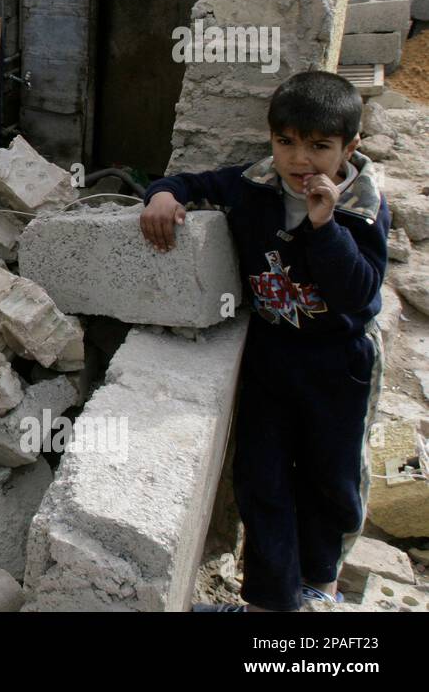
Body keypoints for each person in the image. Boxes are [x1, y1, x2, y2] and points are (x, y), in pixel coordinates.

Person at [140, 71, 389, 613]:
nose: (300, 160)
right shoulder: (254, 185)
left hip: (340, 364)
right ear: (272, 139)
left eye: (320, 147)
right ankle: (270, 602)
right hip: (272, 359)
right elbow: (191, 183)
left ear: (350, 147)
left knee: (331, 476)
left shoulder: (362, 207)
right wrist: (161, 195)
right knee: (262, 477)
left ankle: (319, 585)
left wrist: (326, 228)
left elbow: (359, 291)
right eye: (286, 143)